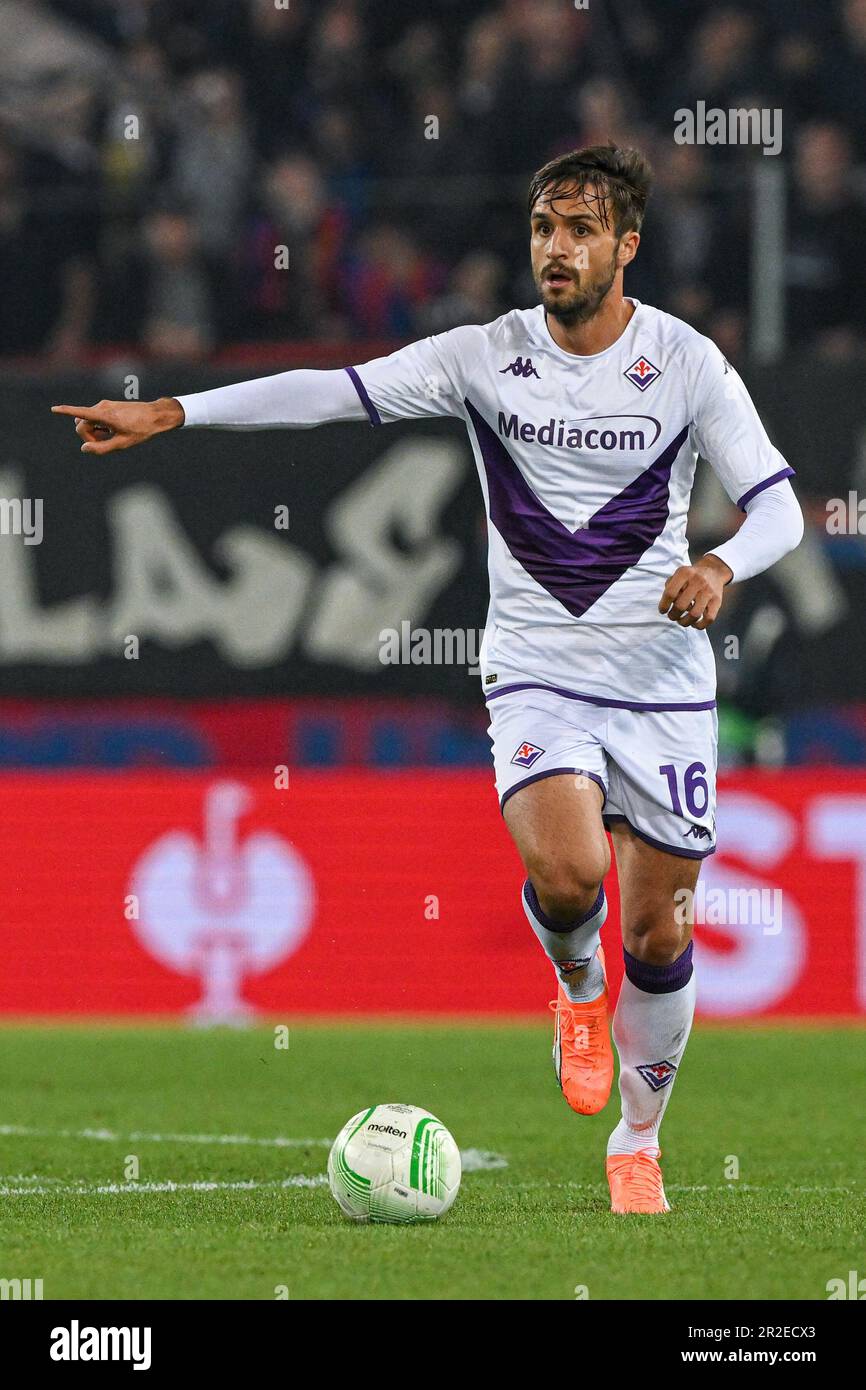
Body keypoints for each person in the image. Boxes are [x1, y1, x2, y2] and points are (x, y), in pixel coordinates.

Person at [52, 145, 804, 1214]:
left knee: (664, 931)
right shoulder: (481, 356)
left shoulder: (683, 363)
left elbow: (776, 499)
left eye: (580, 229)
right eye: (544, 227)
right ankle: (576, 985)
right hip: (537, 671)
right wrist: (175, 412)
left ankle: (636, 1142)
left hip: (661, 680)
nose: (556, 247)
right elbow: (332, 391)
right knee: (567, 875)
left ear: (624, 246)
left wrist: (720, 564)